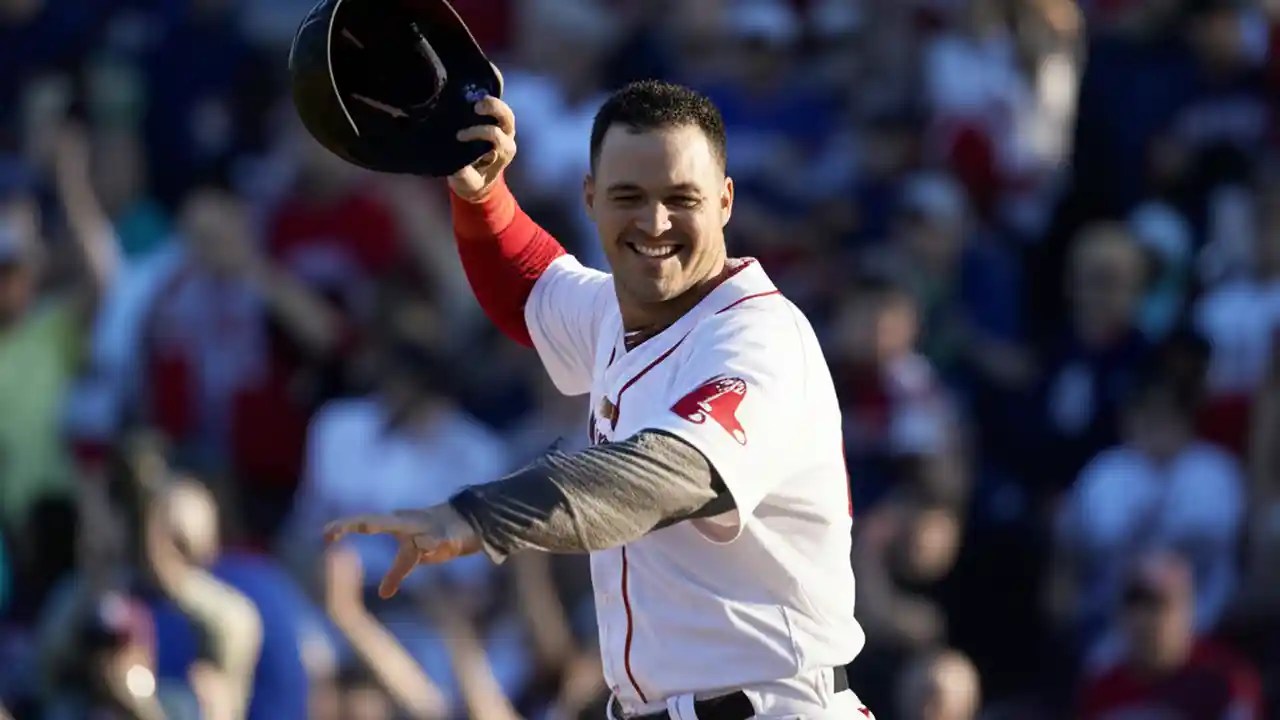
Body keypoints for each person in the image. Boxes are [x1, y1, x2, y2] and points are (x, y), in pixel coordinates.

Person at [324, 79, 871, 719]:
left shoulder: (758, 339)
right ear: (591, 199)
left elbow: (662, 479)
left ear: (724, 201)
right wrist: (480, 192)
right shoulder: (620, 311)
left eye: (681, 198)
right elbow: (530, 289)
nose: (655, 222)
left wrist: (482, 515)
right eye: (628, 197)